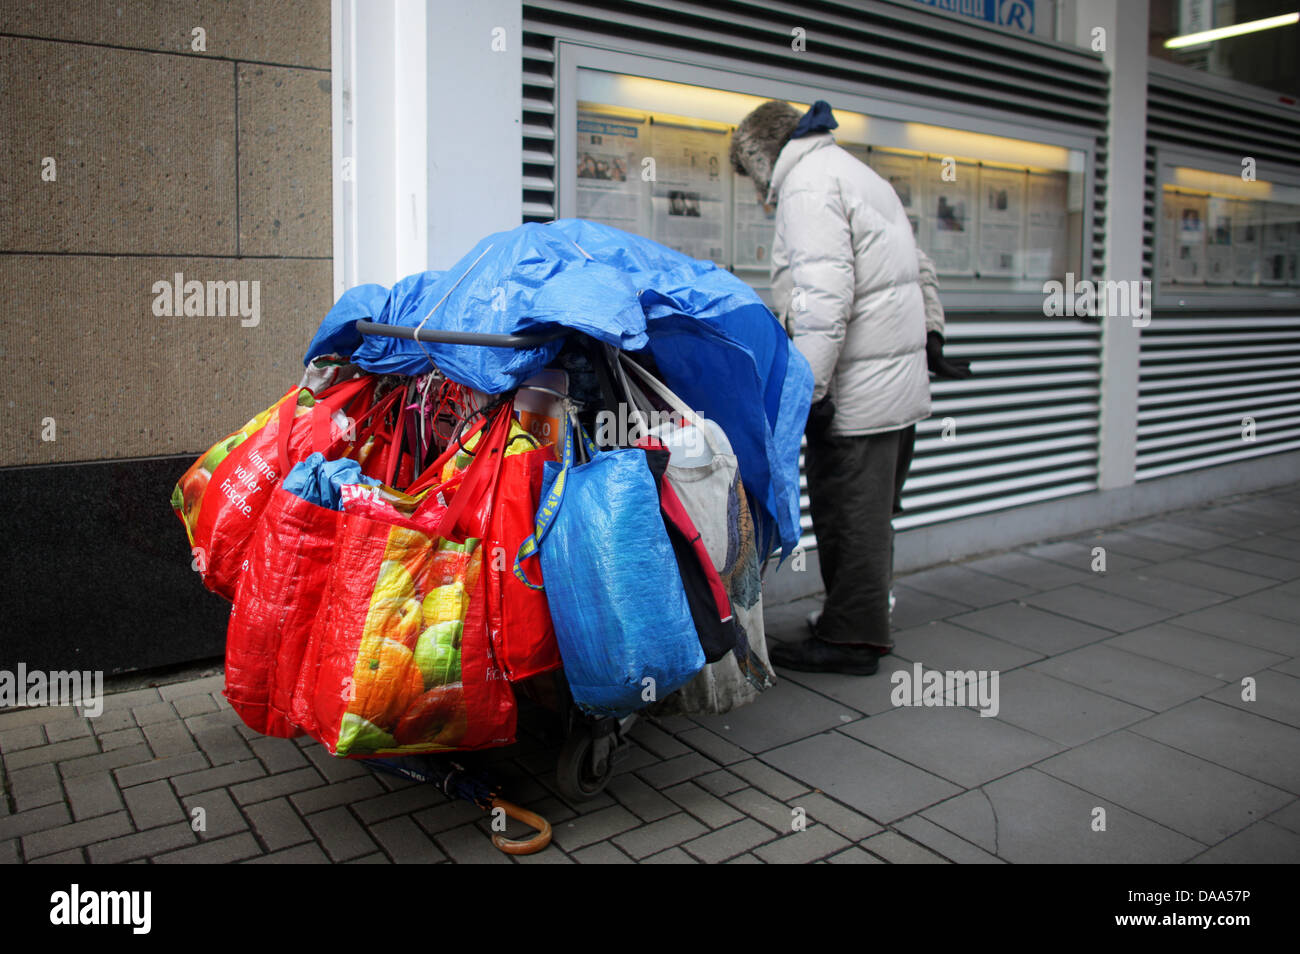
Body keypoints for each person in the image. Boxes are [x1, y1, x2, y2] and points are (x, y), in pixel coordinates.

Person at [729, 99, 970, 676]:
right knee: (871, 514)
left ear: (761, 157)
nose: (760, 193)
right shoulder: (855, 173)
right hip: (895, 384)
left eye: (754, 178)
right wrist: (932, 334)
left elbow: (820, 301)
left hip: (859, 390)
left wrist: (808, 390)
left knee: (848, 514)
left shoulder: (808, 185)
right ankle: (854, 618)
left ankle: (853, 640)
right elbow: (921, 266)